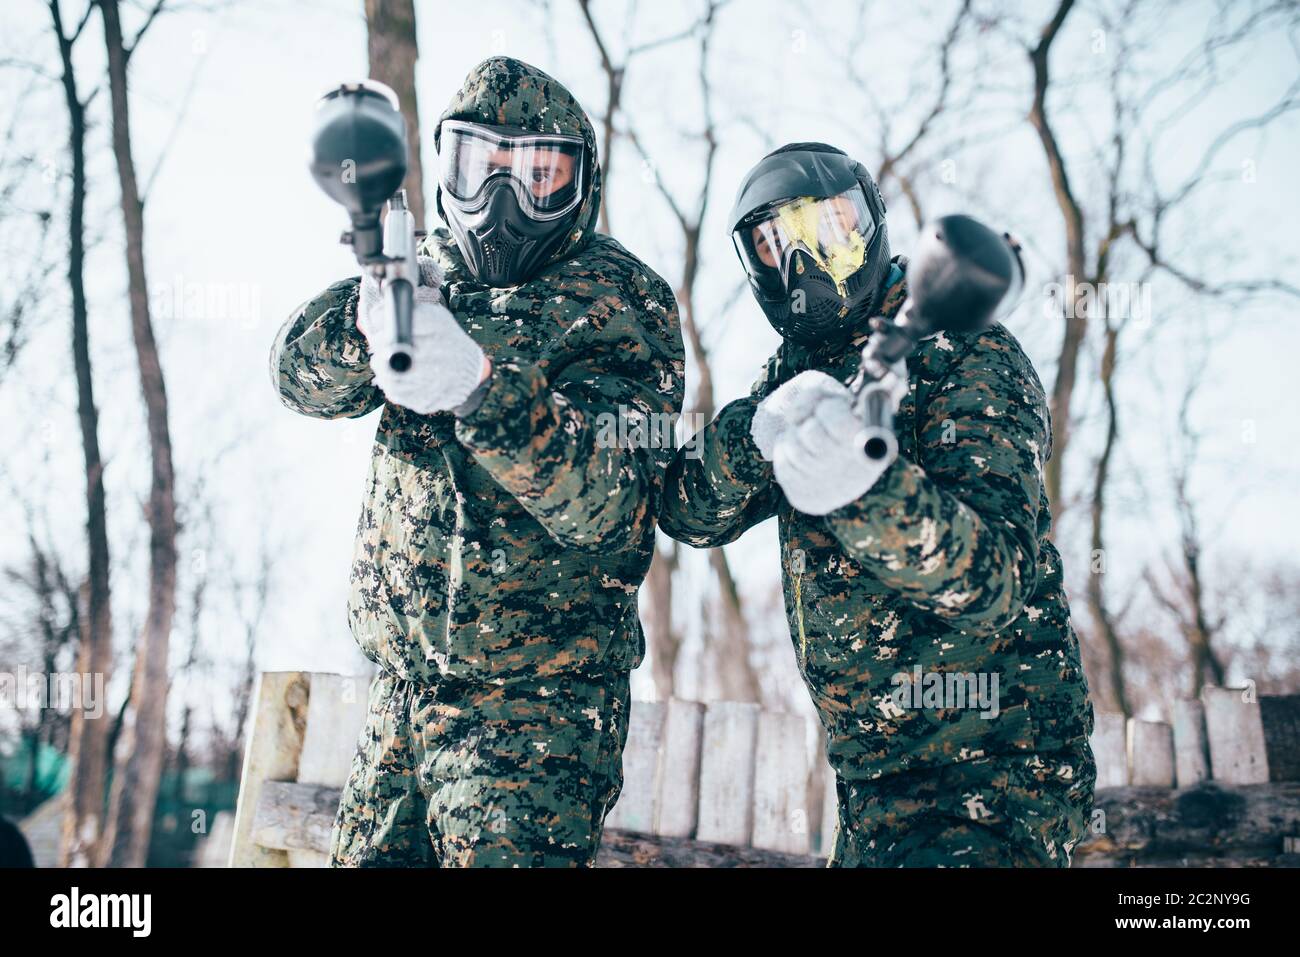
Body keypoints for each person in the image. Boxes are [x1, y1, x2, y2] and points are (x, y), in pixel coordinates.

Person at [271, 57, 684, 867]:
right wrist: (367, 323)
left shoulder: (620, 302)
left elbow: (615, 504)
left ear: (580, 184)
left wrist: (480, 390)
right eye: (478, 166)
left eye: (537, 173)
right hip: (397, 696)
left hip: (536, 716)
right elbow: (296, 376)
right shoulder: (423, 270)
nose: (503, 201)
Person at [658, 142, 1095, 866]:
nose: (803, 261)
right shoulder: (797, 374)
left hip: (994, 771)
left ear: (872, 225)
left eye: (826, 227)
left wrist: (865, 488)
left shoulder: (963, 352)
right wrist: (753, 434)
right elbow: (688, 510)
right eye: (775, 245)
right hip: (872, 786)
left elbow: (995, 580)